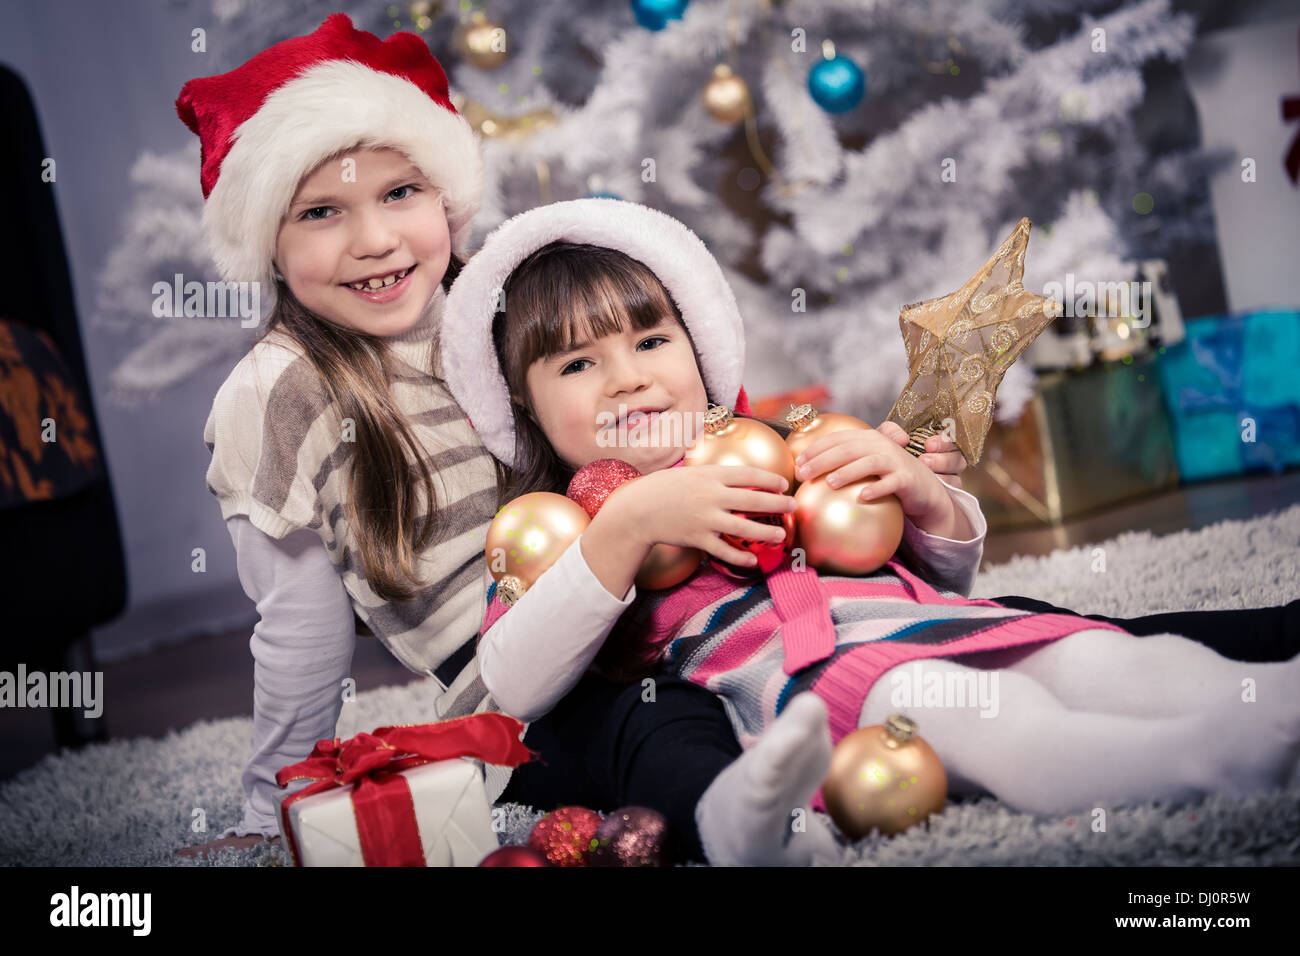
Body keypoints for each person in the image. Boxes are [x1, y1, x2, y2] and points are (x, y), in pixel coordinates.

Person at [171, 14, 964, 865]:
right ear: (268, 244)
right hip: (530, 691)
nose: (375, 241)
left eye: (400, 193)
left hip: (674, 603)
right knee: (653, 720)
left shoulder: (496, 301)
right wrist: (274, 802)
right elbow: (299, 628)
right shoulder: (278, 391)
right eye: (321, 211)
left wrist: (863, 487)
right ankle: (732, 820)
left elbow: (678, 427)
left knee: (846, 625)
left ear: (445, 195)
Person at [443, 199, 1300, 864]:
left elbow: (939, 568)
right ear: (526, 405)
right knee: (999, 722)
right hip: (826, 681)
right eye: (578, 363)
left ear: (698, 349)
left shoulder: (783, 448)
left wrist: (927, 498)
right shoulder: (556, 532)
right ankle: (1199, 762)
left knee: (1103, 656)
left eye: (651, 340)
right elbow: (515, 678)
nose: (627, 381)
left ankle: (1263, 705)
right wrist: (624, 529)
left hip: (940, 622)